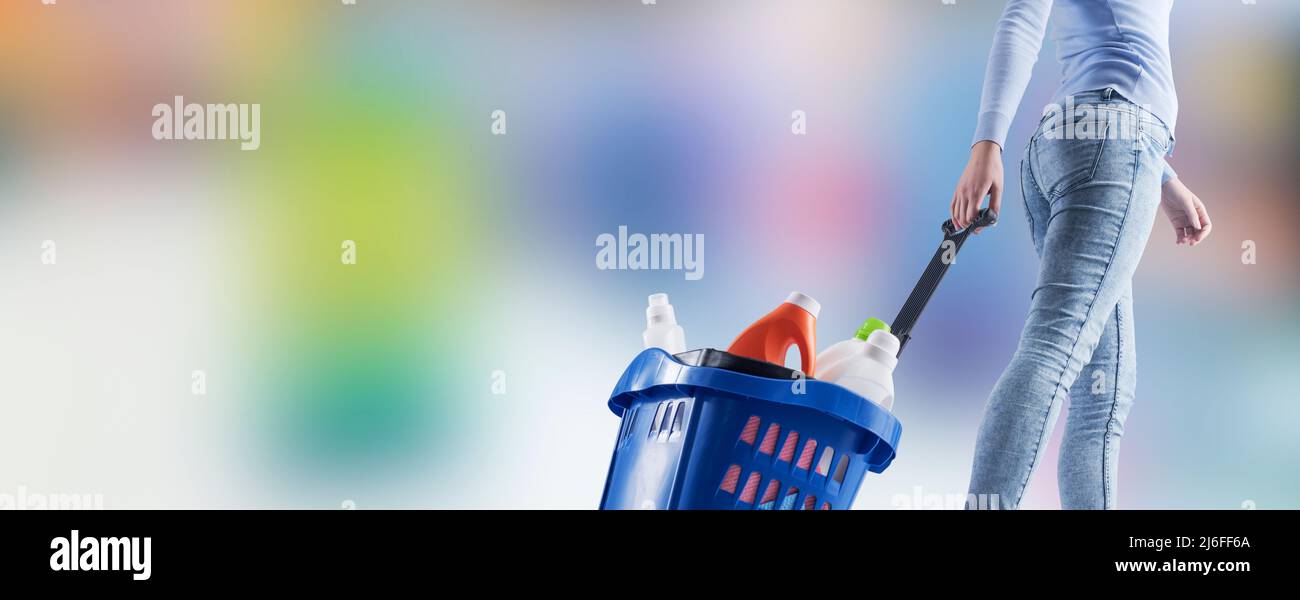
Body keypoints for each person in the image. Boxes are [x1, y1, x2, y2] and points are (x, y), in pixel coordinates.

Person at [952, 0, 1211, 509]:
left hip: (1079, 142)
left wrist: (1163, 177)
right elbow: (1024, 15)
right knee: (1054, 351)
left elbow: (1112, 45)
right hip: (1113, 139)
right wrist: (987, 142)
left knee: (1103, 393)